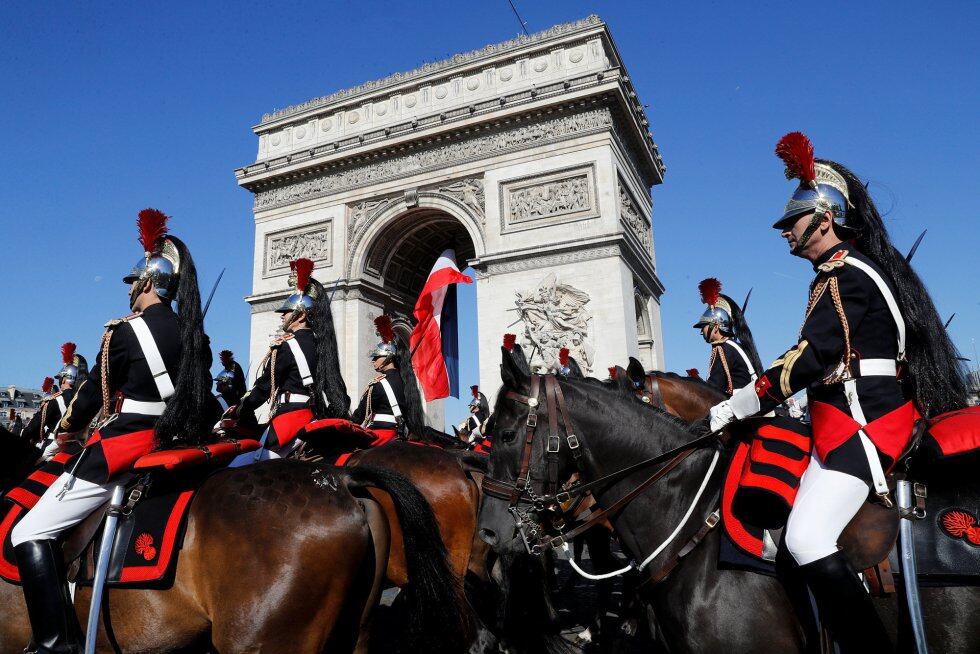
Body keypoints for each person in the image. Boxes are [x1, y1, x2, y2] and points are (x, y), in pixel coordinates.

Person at [707, 132, 967, 652]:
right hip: (840, 420)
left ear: (824, 218)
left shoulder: (848, 275)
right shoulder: (835, 275)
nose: (785, 233)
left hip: (866, 425)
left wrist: (741, 402)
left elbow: (813, 357)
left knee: (805, 537)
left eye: (792, 223)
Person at [11, 208, 213, 652]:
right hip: (178, 440)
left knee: (26, 533)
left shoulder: (123, 333)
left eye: (132, 284)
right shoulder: (196, 334)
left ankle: (52, 641)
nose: (129, 292)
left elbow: (90, 401)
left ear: (145, 284)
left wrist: (66, 431)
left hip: (127, 444)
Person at [229, 258, 348, 456]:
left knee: (244, 464)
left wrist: (241, 408)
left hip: (290, 416)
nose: (282, 315)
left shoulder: (286, 346)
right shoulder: (322, 346)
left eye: (286, 311)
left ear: (300, 316)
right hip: (313, 415)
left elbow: (265, 387)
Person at [351, 314, 425, 445]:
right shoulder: (407, 383)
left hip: (379, 434)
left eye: (376, 357)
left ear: (388, 358)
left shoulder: (377, 384)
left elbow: (359, 416)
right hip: (398, 435)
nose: (373, 361)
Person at [694, 279, 764, 396]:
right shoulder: (732, 346)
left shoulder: (723, 348)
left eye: (703, 326)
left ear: (715, 326)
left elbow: (714, 388)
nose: (701, 332)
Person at [20, 343, 87, 460]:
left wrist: (23, 438)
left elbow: (33, 427)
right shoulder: (84, 397)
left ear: (65, 378)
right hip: (78, 450)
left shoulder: (55, 400)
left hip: (53, 449)